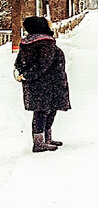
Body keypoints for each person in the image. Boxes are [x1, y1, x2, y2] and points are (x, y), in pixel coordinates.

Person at [13, 15, 71, 153]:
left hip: (37, 84)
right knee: (44, 111)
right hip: (48, 83)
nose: (51, 26)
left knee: (44, 111)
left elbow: (19, 62)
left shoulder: (28, 42)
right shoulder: (46, 43)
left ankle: (45, 139)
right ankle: (40, 142)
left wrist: (21, 73)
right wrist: (27, 75)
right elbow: (43, 64)